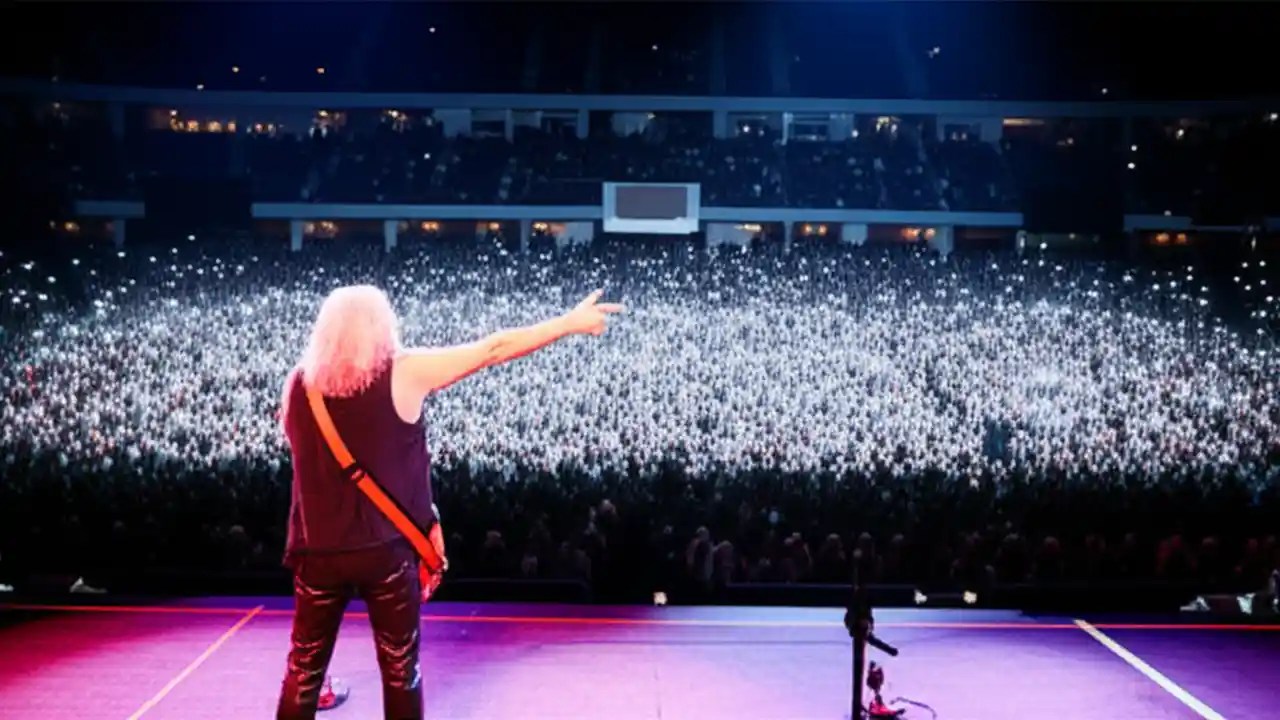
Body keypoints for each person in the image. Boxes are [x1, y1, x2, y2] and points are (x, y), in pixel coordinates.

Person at [276, 285, 623, 719]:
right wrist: (566, 324)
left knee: (304, 668)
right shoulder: (403, 373)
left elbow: (303, 453)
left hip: (318, 551)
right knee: (401, 669)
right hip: (386, 552)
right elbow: (493, 349)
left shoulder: (298, 385)